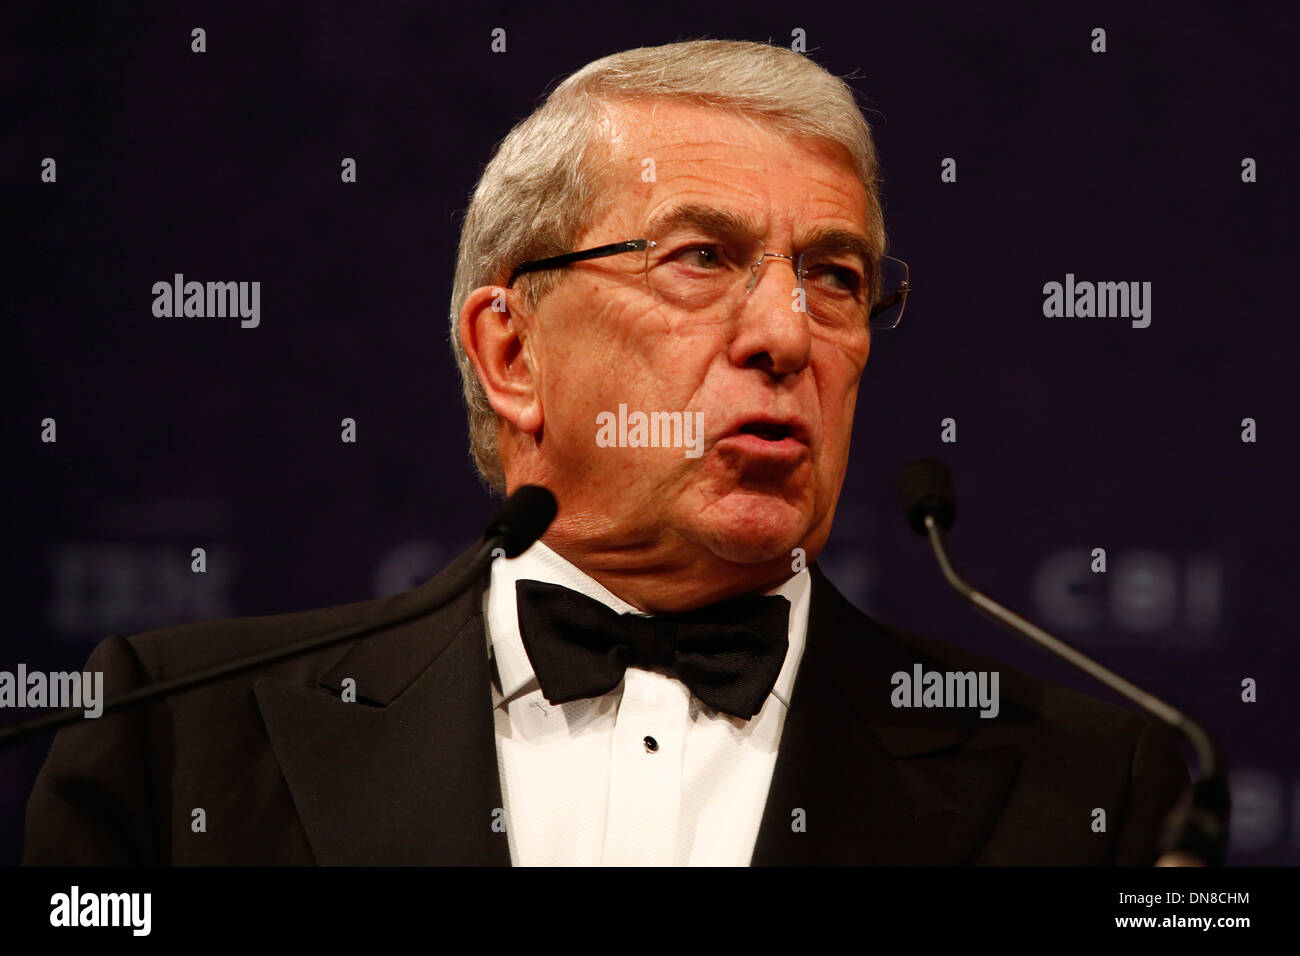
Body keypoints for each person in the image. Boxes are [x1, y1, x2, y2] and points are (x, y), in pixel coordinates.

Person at [23, 39, 1187, 866]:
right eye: (699, 257)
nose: (787, 333)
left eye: (833, 277)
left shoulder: (1092, 786)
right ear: (512, 351)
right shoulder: (179, 740)